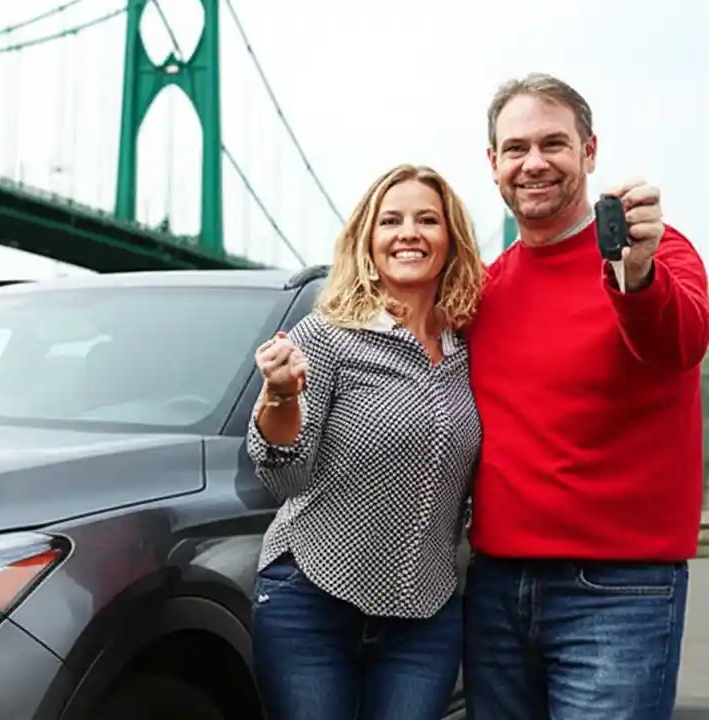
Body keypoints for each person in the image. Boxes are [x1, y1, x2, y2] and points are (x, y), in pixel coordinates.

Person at [463, 72, 709, 719]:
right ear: (493, 164)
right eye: (516, 148)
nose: (534, 162)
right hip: (495, 587)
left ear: (589, 152)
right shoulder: (481, 288)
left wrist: (636, 277)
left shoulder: (661, 252)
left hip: (619, 590)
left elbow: (678, 343)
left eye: (554, 143)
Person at [247, 163, 486, 719]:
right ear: (368, 240)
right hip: (310, 600)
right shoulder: (325, 335)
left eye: (427, 220)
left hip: (425, 616)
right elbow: (284, 477)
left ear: (450, 240)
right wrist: (280, 396)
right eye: (391, 221)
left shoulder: (469, 350)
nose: (409, 232)